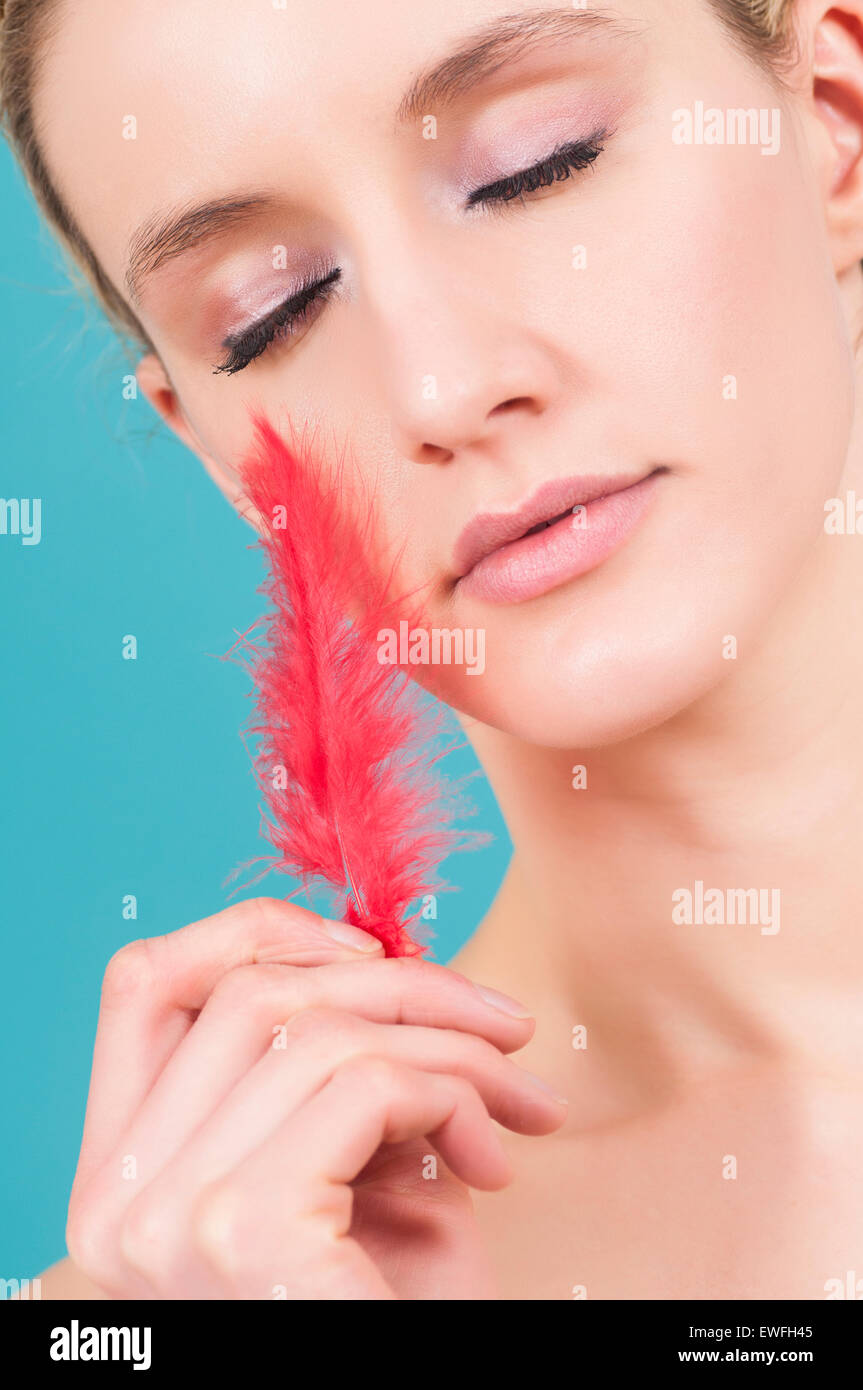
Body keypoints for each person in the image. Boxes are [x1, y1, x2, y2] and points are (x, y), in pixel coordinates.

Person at [3, 0, 863, 1299]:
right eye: (270, 313)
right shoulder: (187, 1298)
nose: (440, 386)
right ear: (218, 456)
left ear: (831, 122)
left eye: (539, 161)